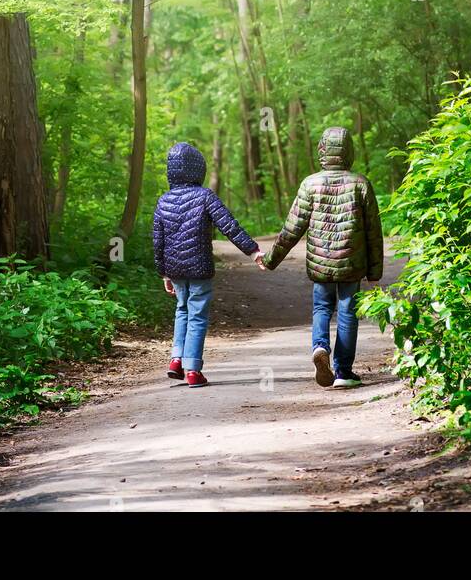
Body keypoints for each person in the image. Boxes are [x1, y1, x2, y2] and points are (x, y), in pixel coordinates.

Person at [264, 125, 383, 389]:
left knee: (321, 308)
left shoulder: (310, 184)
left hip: (320, 265)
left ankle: (320, 348)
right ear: (348, 151)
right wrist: (375, 271)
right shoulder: (361, 184)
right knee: (348, 312)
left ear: (322, 151)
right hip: (351, 264)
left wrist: (271, 259)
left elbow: (292, 227)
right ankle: (343, 371)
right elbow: (374, 231)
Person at [153, 140, 265, 387]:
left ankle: (175, 360)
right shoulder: (205, 197)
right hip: (199, 267)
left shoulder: (163, 201)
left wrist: (164, 273)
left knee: (182, 311)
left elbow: (157, 242)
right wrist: (253, 250)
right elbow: (229, 226)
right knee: (197, 316)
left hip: (176, 270)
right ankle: (192, 370)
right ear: (198, 169)